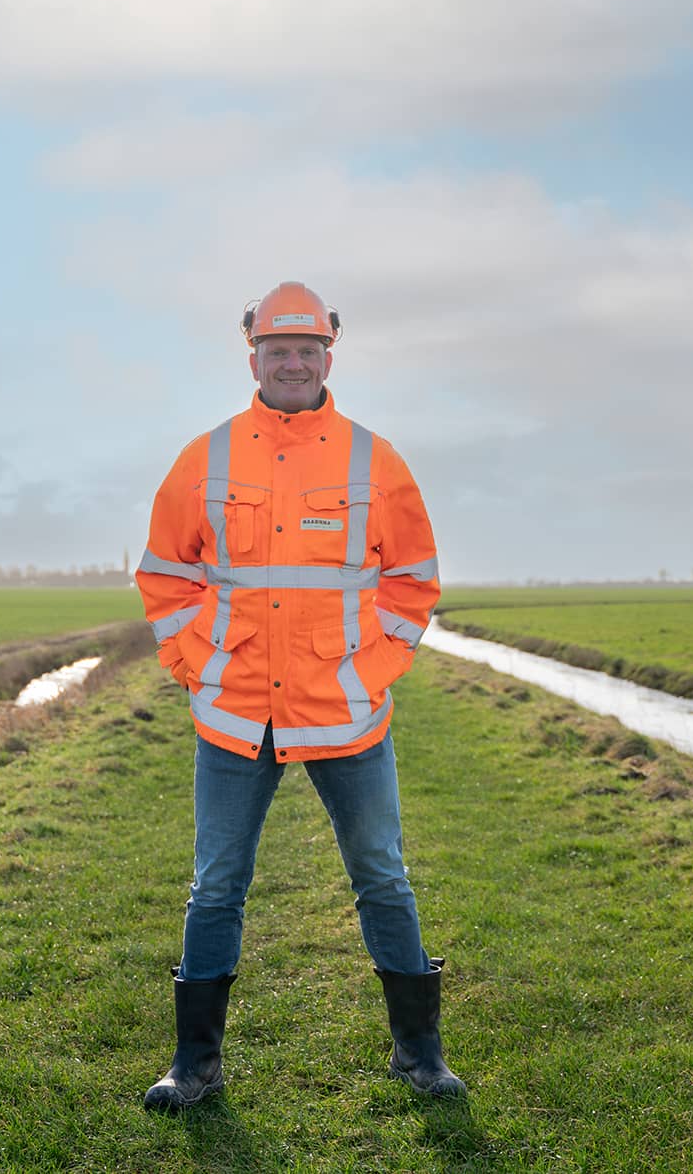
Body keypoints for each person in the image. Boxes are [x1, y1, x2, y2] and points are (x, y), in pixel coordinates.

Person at [133, 282, 463, 1110]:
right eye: (277, 350)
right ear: (253, 357)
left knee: (383, 875)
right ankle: (194, 1066)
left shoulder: (373, 459)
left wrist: (369, 670)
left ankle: (420, 1056)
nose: (292, 362)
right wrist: (196, 665)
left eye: (306, 350)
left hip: (344, 712)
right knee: (216, 885)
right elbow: (166, 574)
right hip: (236, 711)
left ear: (328, 356)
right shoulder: (204, 457)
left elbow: (414, 581)